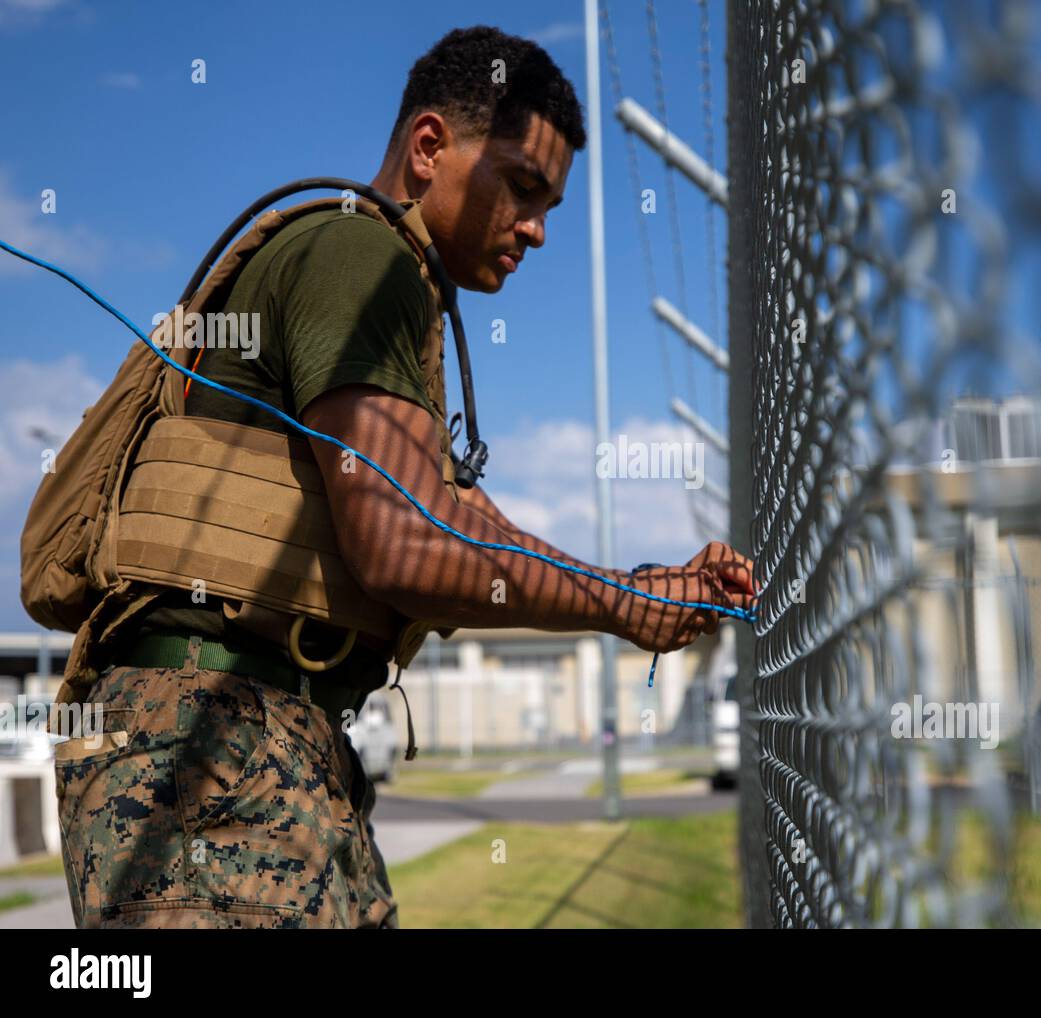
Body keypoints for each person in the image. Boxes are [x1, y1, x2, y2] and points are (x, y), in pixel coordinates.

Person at [54, 24, 754, 929]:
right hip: (207, 740)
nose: (538, 230)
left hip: (264, 736)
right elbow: (402, 547)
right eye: (524, 188)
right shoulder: (361, 256)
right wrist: (620, 604)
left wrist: (641, 588)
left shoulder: (390, 282)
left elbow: (465, 528)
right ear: (430, 148)